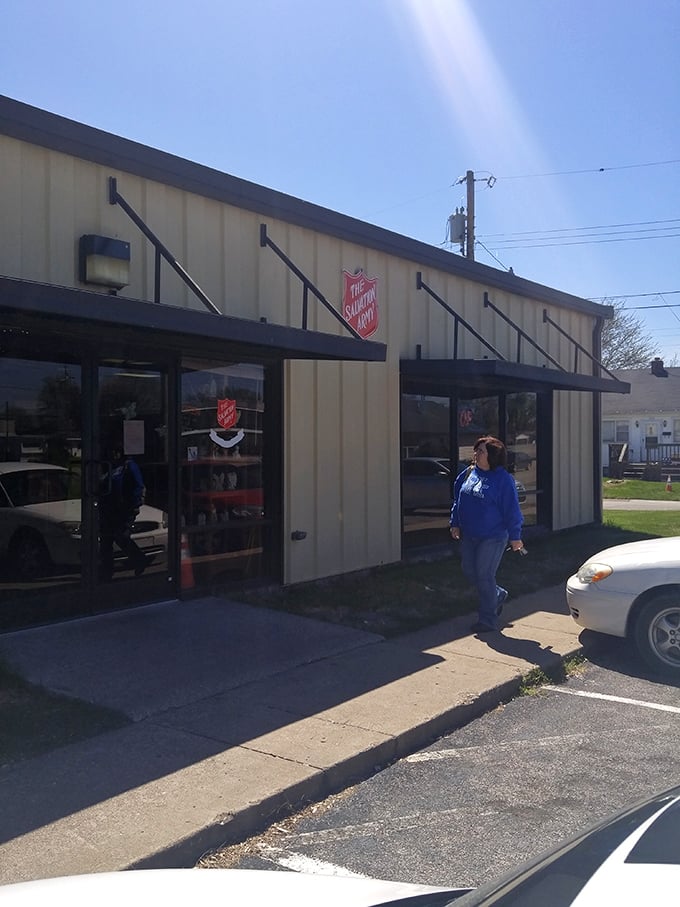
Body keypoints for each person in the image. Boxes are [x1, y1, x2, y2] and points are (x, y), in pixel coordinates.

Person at [449, 436, 524, 633]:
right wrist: (455, 523)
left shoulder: (503, 480)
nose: (476, 454)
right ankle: (497, 594)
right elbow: (458, 499)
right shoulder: (468, 473)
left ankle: (488, 619)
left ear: (492, 456)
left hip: (493, 536)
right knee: (469, 571)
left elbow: (512, 510)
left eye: (480, 451)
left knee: (484, 575)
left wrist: (516, 536)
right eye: (476, 450)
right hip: (469, 534)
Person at [99, 448, 148, 581]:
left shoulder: (128, 466)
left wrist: (134, 504)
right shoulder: (108, 467)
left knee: (121, 536)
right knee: (106, 540)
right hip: (108, 509)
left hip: (124, 509)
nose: (114, 454)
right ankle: (106, 571)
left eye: (117, 452)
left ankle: (140, 560)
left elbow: (138, 486)